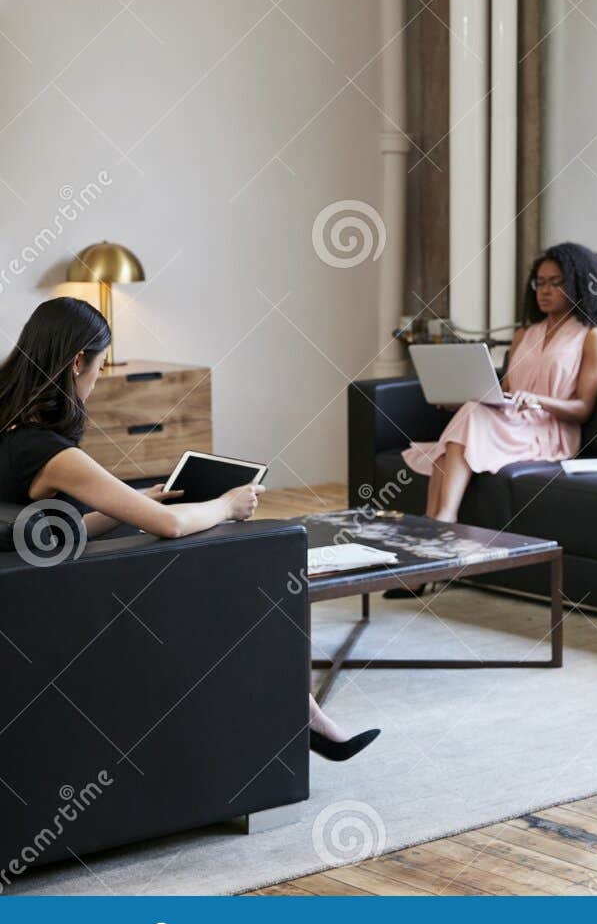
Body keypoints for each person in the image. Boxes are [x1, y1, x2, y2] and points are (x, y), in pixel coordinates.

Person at [0, 296, 378, 762]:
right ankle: (306, 719)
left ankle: (306, 716)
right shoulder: (51, 453)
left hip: (26, 590)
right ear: (78, 361)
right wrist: (226, 504)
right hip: (59, 607)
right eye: (98, 365)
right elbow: (171, 525)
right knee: (239, 579)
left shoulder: (11, 429)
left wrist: (131, 506)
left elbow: (44, 533)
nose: (97, 380)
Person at [401, 242, 597, 523]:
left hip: (550, 431)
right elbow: (502, 395)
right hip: (513, 423)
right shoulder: (524, 335)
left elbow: (583, 408)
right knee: (469, 414)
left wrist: (539, 400)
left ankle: (442, 517)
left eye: (554, 283)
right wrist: (463, 401)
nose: (544, 291)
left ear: (576, 285)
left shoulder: (590, 337)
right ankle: (437, 517)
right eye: (539, 283)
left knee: (456, 437)